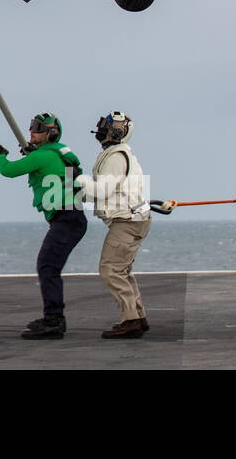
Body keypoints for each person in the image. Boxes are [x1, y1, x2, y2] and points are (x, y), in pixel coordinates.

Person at [0, 113, 88, 339]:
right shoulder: (60, 154)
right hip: (71, 219)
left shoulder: (44, 156)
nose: (31, 133)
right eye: (31, 128)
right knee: (49, 266)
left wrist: (1, 155)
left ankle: (54, 321)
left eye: (37, 129)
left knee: (47, 266)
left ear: (50, 133)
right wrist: (33, 153)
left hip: (66, 219)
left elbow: (8, 170)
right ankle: (53, 318)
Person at [88, 111, 153, 339]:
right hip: (133, 219)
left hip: (127, 222)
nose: (102, 127)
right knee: (122, 271)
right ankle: (138, 316)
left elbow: (101, 190)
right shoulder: (117, 153)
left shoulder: (116, 156)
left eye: (106, 125)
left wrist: (73, 181)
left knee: (110, 270)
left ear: (117, 131)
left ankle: (131, 321)